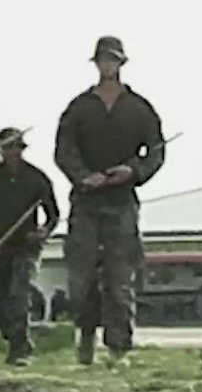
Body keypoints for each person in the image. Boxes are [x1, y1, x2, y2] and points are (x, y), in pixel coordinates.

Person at [55, 36, 165, 365]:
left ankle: (119, 349)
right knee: (82, 277)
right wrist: (82, 175)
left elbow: (156, 152)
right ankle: (86, 338)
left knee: (120, 278)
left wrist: (131, 171)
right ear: (97, 63)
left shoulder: (139, 108)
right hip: (86, 201)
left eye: (113, 60)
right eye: (103, 60)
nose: (108, 66)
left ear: (121, 64)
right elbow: (63, 150)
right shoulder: (79, 107)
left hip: (121, 201)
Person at [0, 128, 59, 365]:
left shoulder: (37, 178)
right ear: (0, 151)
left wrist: (43, 232)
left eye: (16, 148)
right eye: (7, 148)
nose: (12, 153)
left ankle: (19, 348)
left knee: (19, 293)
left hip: (26, 246)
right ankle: (14, 339)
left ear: (22, 149)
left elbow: (53, 215)